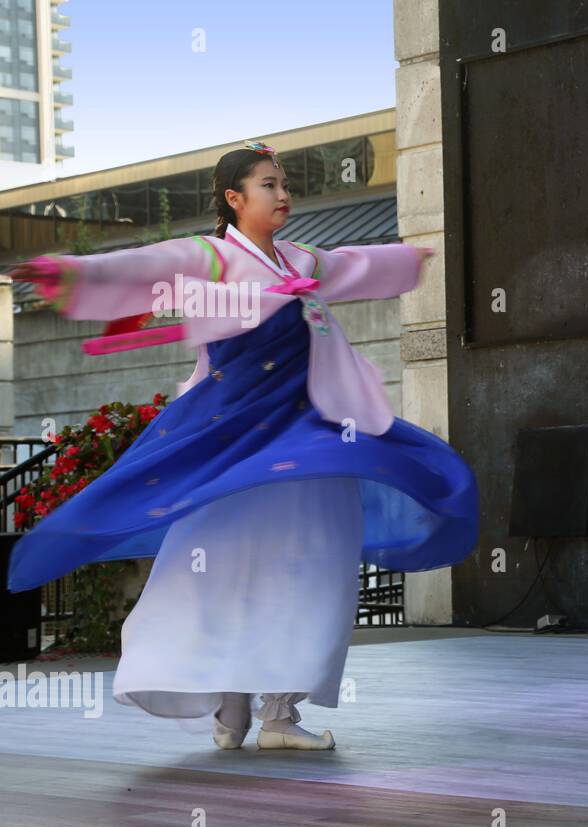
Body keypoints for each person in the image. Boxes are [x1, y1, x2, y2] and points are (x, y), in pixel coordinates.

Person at [8, 141, 478, 752]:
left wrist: (409, 257)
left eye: (284, 184)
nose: (283, 195)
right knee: (220, 564)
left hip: (313, 434)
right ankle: (230, 707)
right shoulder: (207, 258)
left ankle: (280, 713)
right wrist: (70, 273)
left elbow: (354, 264)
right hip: (232, 440)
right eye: (267, 185)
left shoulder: (300, 259)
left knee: (317, 560)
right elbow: (140, 266)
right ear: (234, 199)